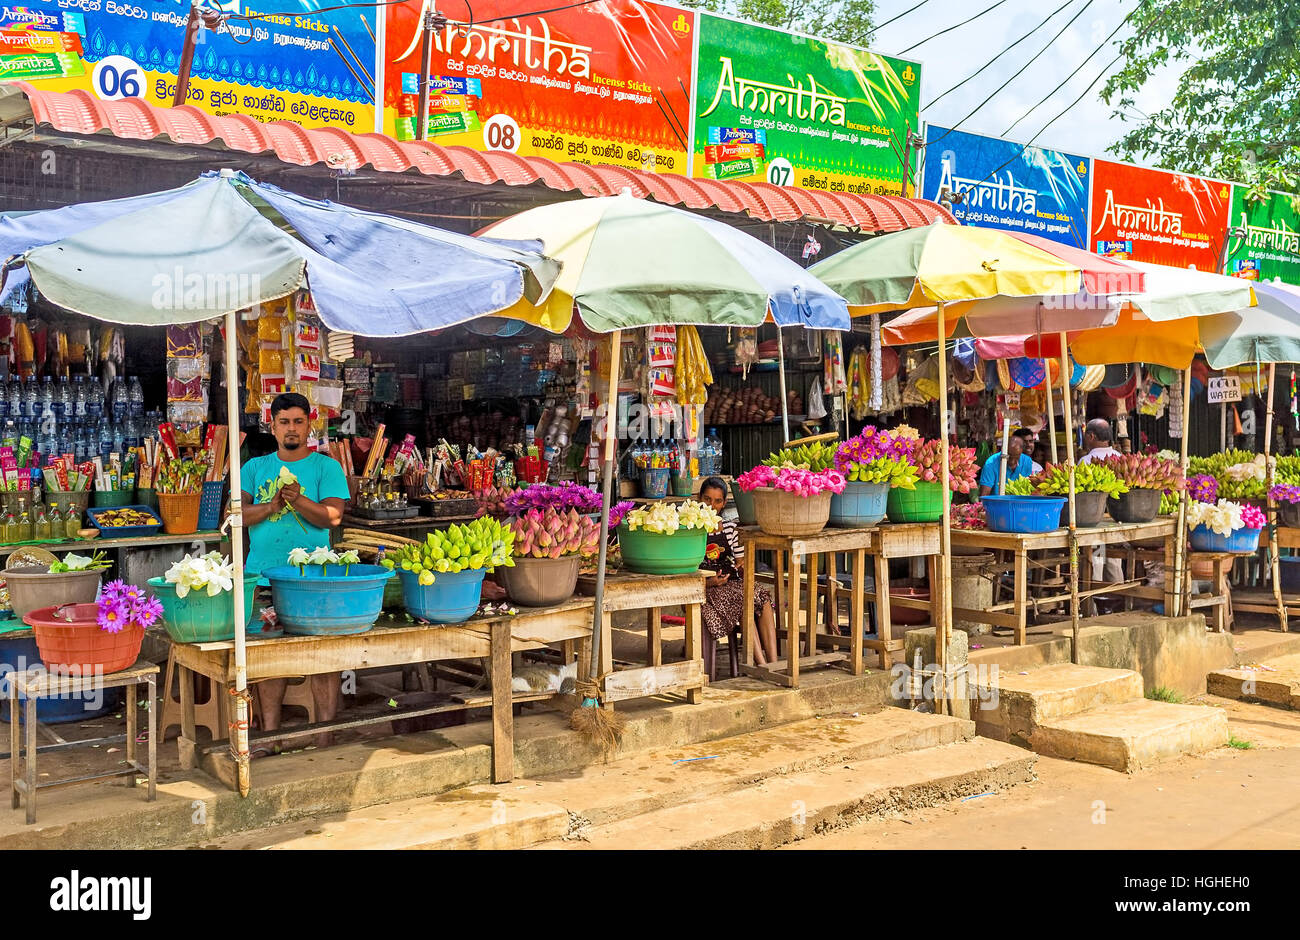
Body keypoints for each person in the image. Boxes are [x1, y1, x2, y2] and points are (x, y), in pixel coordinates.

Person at [241, 392, 350, 755]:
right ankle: (270, 737)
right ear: (272, 426)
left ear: (309, 425)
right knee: (270, 658)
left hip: (313, 579)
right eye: (284, 421)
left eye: (298, 421)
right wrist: (271, 505)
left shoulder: (326, 467)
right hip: (261, 578)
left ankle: (325, 738)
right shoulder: (255, 468)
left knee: (323, 656)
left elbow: (333, 517)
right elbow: (235, 515)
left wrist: (299, 500)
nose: (292, 428)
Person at [697, 477, 779, 674]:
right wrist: (710, 582)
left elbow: (740, 560)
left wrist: (741, 564)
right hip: (706, 589)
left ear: (724, 503)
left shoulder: (730, 529)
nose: (712, 505)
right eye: (707, 499)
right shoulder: (691, 530)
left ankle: (774, 664)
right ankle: (762, 665)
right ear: (699, 499)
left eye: (717, 501)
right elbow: (686, 571)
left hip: (732, 583)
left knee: (762, 597)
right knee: (744, 601)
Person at [978, 428, 1036, 498]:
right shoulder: (991, 464)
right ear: (1003, 451)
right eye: (1009, 457)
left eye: (1015, 457)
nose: (1012, 461)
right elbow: (984, 495)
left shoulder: (1027, 461)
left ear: (1021, 452)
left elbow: (1028, 489)